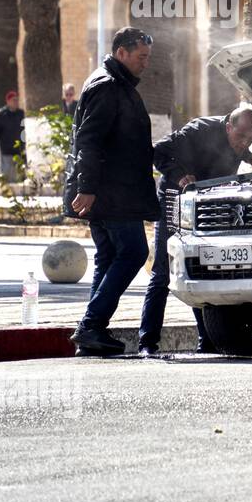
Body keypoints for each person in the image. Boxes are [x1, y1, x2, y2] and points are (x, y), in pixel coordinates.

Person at [139, 108, 252, 356]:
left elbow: (234, 147)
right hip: (176, 200)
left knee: (202, 270)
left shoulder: (237, 139)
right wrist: (180, 176)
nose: (244, 143)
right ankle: (147, 342)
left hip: (207, 206)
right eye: (241, 137)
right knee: (163, 271)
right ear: (228, 126)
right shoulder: (198, 130)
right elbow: (158, 151)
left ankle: (208, 340)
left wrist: (251, 158)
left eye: (251, 138)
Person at [63, 28, 161, 357]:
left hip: (110, 192)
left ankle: (93, 331)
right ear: (122, 53)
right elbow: (89, 140)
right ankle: (91, 325)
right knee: (133, 252)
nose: (146, 64)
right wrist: (87, 188)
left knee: (107, 257)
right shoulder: (108, 86)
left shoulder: (115, 84)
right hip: (111, 193)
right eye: (141, 57)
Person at [0, 91, 24, 182]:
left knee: (19, 175)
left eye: (17, 100)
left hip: (18, 150)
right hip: (6, 150)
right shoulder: (1, 115)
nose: (16, 102)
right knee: (7, 175)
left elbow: (23, 130)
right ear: (8, 101)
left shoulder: (20, 113)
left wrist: (24, 145)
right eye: (13, 100)